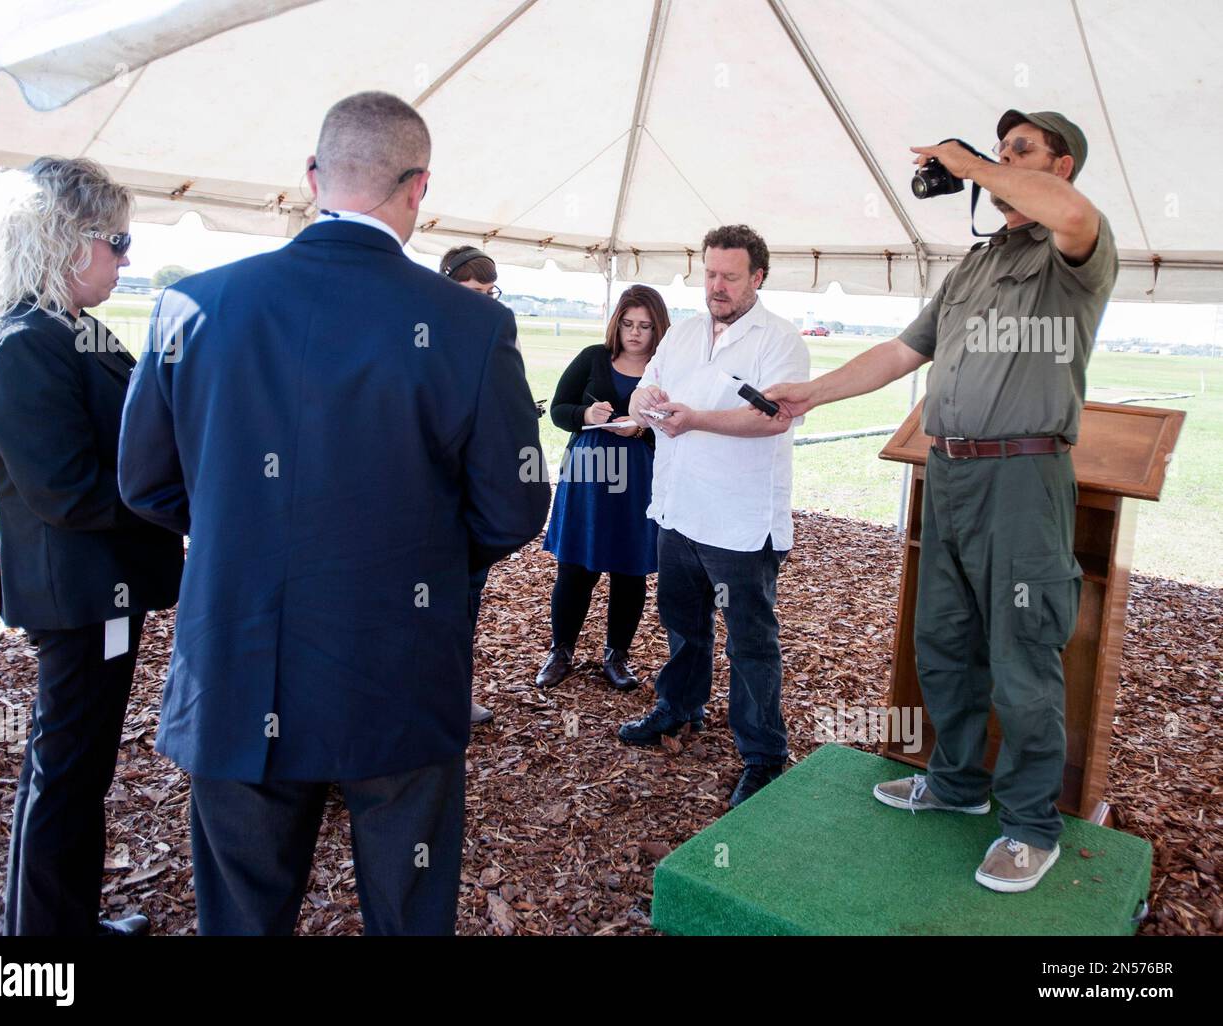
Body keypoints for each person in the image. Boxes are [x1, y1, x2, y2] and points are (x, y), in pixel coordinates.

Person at [118, 91, 549, 935]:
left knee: (242, 916)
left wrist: (244, 536)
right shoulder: (470, 326)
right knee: (407, 912)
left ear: (313, 177)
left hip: (241, 660)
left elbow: (145, 483)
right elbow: (510, 508)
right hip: (398, 665)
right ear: (418, 188)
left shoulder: (194, 307)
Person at [763, 111, 1116, 893]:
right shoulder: (976, 264)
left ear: (1060, 168)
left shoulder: (1075, 250)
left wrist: (968, 161)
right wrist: (811, 394)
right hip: (948, 474)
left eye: (1020, 151)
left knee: (1023, 652)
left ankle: (1029, 826)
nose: (1000, 161)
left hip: (1022, 482)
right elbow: (901, 350)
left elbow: (1075, 216)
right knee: (946, 642)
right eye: (999, 149)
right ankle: (957, 786)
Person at [0, 156, 184, 935]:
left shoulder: (72, 329)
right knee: (64, 773)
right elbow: (67, 491)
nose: (127, 258)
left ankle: (65, 925)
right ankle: (41, 947)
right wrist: (183, 505)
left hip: (105, 587)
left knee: (78, 770)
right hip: (80, 592)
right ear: (61, 238)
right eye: (116, 241)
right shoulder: (26, 343)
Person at [617, 225, 810, 809]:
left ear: (757, 277)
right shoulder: (683, 335)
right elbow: (640, 392)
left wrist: (696, 418)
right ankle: (679, 708)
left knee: (749, 642)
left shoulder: (779, 341)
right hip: (678, 509)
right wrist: (640, 404)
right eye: (709, 273)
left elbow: (774, 418)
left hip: (741, 520)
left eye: (729, 275)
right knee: (682, 623)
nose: (716, 286)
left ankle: (763, 754)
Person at [537, 285, 671, 692]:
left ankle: (617, 656)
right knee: (576, 566)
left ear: (657, 329)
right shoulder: (593, 357)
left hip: (637, 477)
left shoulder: (666, 369)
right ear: (617, 323)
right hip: (588, 471)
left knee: (629, 569)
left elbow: (678, 426)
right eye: (628, 323)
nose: (635, 333)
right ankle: (561, 651)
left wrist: (644, 426)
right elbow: (559, 411)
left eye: (645, 326)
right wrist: (584, 413)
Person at [440, 245, 503, 726]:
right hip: (428, 499)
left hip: (471, 500)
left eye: (490, 291)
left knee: (466, 603)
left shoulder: (496, 339)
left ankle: (455, 693)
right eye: (475, 291)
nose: (484, 300)